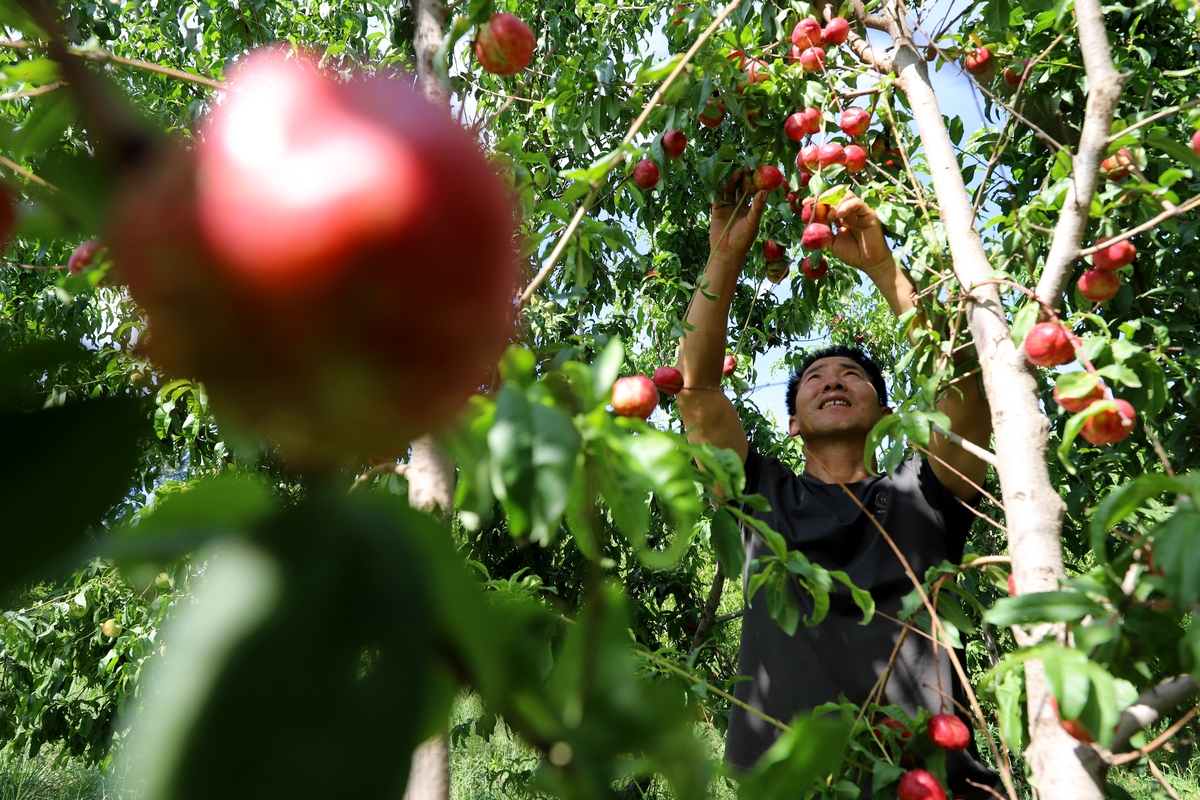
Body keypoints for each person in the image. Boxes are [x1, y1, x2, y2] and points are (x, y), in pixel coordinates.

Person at [675, 188, 1002, 798]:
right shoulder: (759, 496)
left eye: (852, 375)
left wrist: (883, 266)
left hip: (931, 783)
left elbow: (963, 383)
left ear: (884, 413)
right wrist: (723, 256)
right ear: (793, 423)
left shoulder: (924, 493)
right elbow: (696, 392)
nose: (833, 381)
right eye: (815, 380)